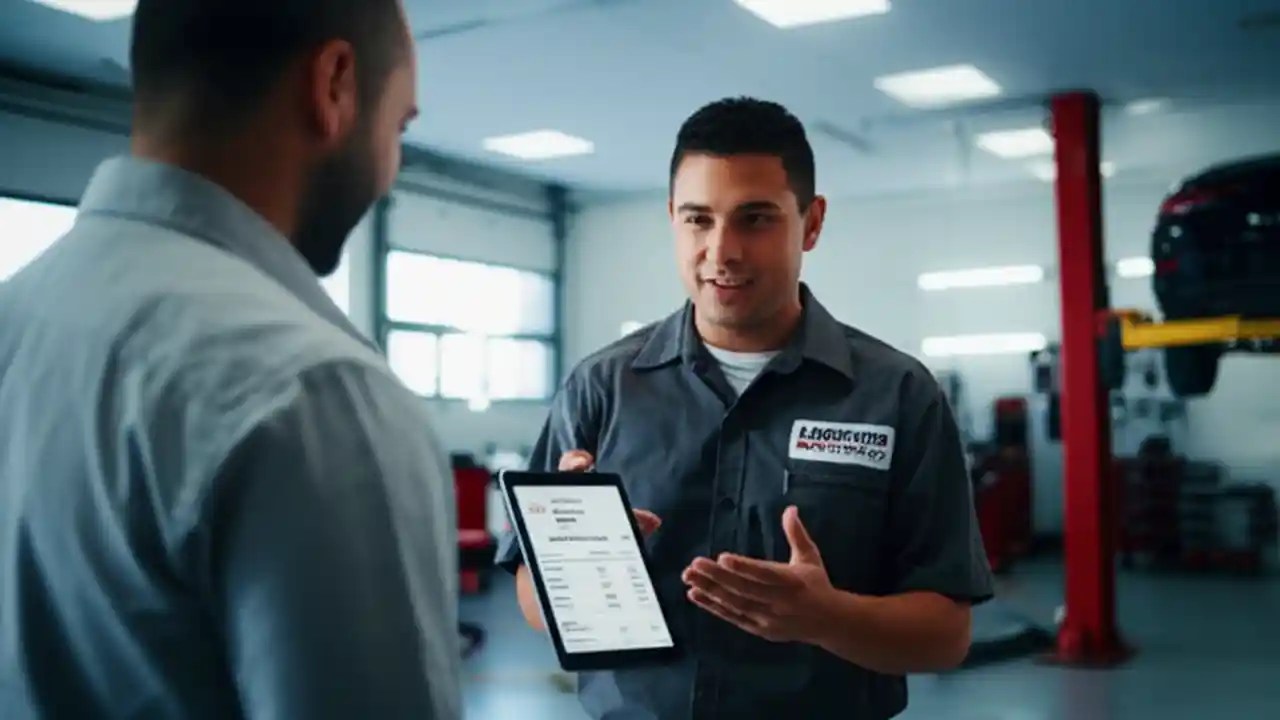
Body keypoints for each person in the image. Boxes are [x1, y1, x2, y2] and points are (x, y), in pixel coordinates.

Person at [0, 1, 460, 718]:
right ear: (334, 83)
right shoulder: (309, 390)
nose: (390, 167)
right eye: (398, 127)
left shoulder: (17, 314)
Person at [496, 97, 994, 719]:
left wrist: (826, 618)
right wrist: (579, 565)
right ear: (672, 220)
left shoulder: (897, 395)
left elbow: (946, 633)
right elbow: (530, 596)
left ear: (811, 223)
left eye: (755, 219)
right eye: (698, 220)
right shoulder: (601, 387)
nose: (722, 250)